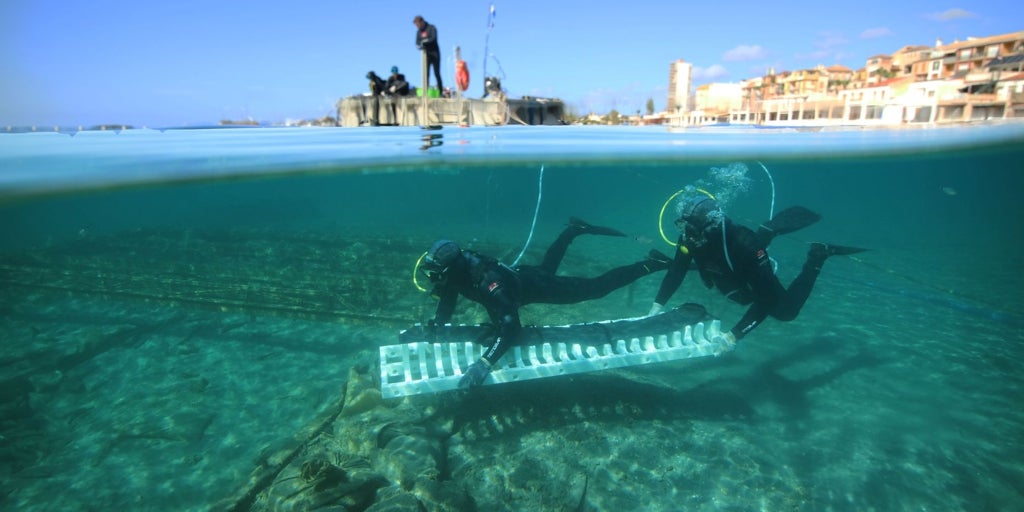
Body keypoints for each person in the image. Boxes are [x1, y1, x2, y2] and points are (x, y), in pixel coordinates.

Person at [420, 218, 672, 388]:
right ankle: (573, 230)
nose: (433, 278)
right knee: (546, 268)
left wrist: (484, 363)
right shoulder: (455, 273)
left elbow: (511, 327)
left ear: (451, 268)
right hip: (522, 278)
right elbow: (448, 295)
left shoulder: (489, 283)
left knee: (596, 289)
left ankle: (651, 264)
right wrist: (439, 323)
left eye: (436, 273)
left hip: (532, 286)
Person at [648, 190, 865, 345]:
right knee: (740, 287)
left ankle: (817, 256)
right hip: (731, 272)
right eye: (684, 227)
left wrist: (734, 335)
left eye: (692, 229)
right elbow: (677, 271)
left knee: (786, 312)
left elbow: (767, 298)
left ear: (710, 226)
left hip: (746, 266)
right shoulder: (690, 237)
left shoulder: (746, 243)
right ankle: (767, 231)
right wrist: (656, 307)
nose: (687, 236)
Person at [413, 15, 443, 93]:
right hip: (425, 55)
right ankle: (425, 92)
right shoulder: (418, 32)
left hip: (435, 53)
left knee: (436, 73)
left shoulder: (431, 28)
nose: (417, 27)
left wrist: (424, 42)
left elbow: (433, 39)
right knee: (426, 74)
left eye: (418, 25)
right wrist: (420, 45)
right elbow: (417, 43)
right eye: (416, 26)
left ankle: (440, 91)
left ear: (422, 22)